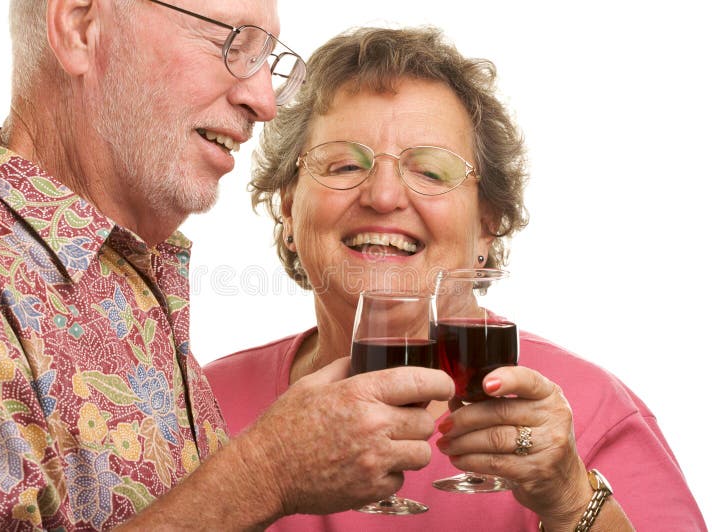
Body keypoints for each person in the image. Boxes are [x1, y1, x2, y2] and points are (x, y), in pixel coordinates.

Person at [0, 2, 455, 529]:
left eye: (266, 58)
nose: (265, 101)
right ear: (79, 28)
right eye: (230, 42)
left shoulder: (121, 271)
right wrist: (265, 474)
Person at [204, 26, 707, 531]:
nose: (383, 197)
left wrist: (572, 499)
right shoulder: (203, 401)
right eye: (341, 165)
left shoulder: (592, 411)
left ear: (488, 225)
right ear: (288, 209)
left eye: (431, 172)